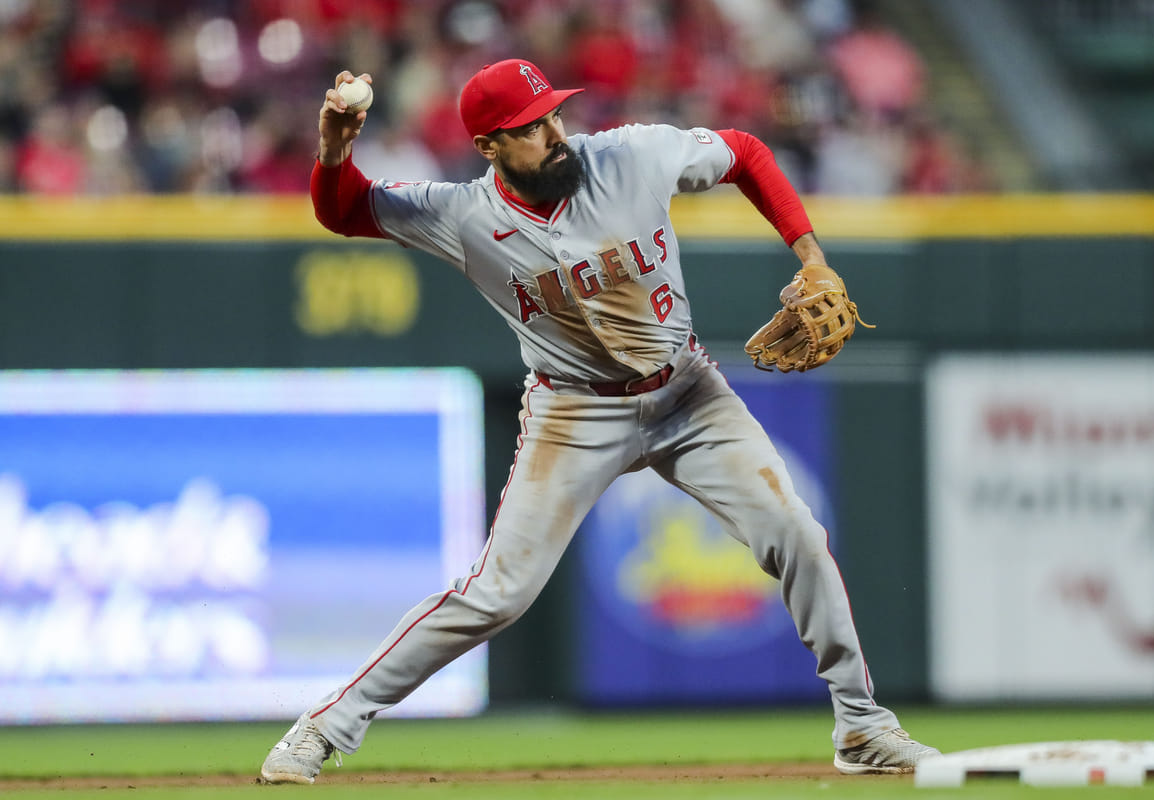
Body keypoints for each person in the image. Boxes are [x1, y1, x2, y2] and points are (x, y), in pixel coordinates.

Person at [259, 59, 938, 784]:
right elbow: (344, 211)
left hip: (688, 393)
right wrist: (334, 149)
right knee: (498, 594)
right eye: (532, 127)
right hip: (573, 410)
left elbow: (745, 151)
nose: (555, 133)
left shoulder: (631, 154)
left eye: (555, 114)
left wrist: (810, 253)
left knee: (798, 534)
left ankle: (862, 725)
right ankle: (324, 728)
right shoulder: (461, 214)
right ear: (490, 146)